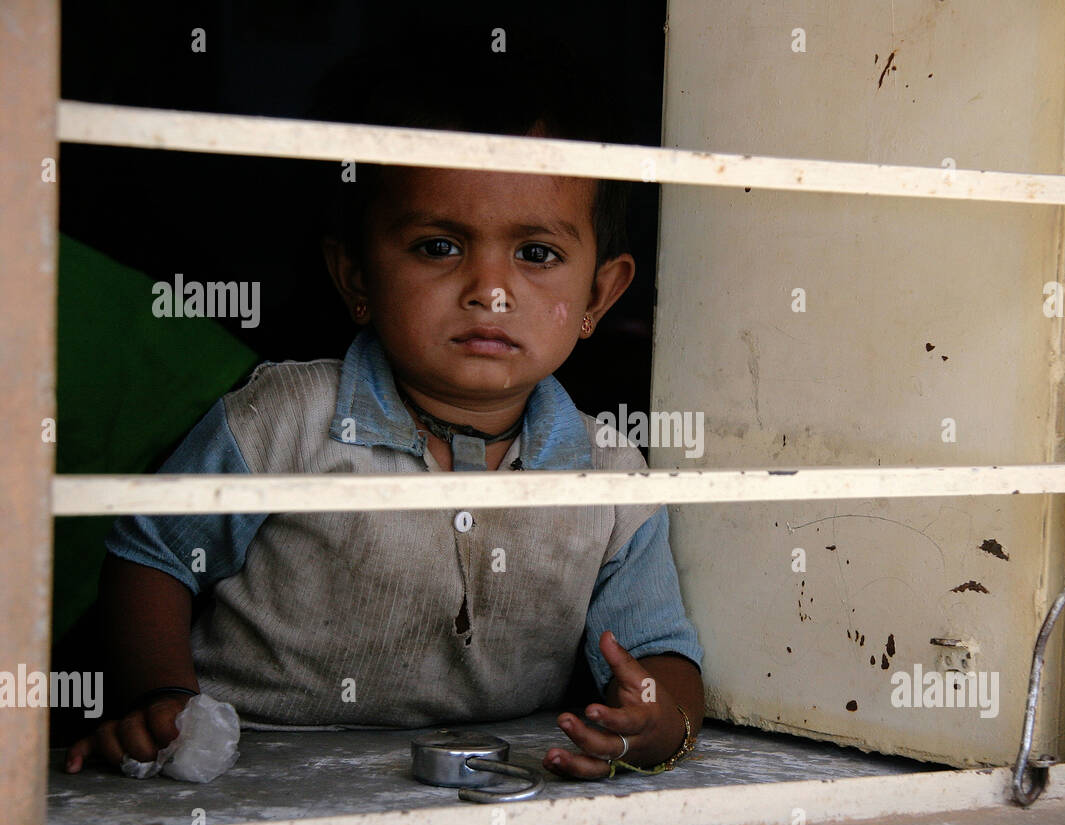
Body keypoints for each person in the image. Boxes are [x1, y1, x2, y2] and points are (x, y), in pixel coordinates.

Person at [64, 47, 704, 782]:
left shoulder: (611, 478)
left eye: (535, 252)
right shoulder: (286, 419)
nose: (490, 291)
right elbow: (152, 555)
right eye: (438, 246)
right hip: (246, 779)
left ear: (598, 296)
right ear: (357, 276)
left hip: (492, 785)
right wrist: (163, 699)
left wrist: (654, 722)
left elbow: (660, 653)